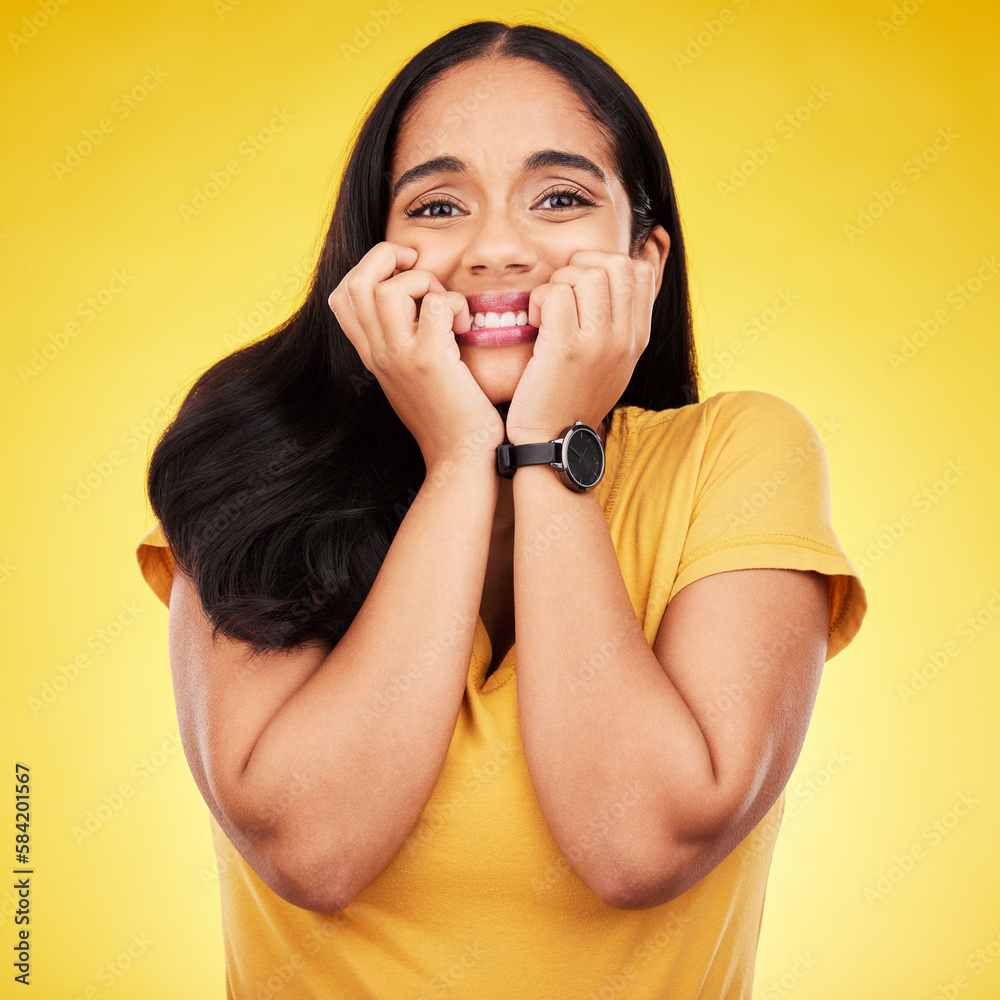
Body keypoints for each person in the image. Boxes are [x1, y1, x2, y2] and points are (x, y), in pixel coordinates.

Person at [136, 19, 867, 999]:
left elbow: (640, 843)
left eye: (559, 196)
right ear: (372, 253)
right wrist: (457, 462)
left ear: (644, 259)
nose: (495, 250)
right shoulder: (258, 458)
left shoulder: (736, 457)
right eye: (438, 204)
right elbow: (312, 849)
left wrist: (547, 443)